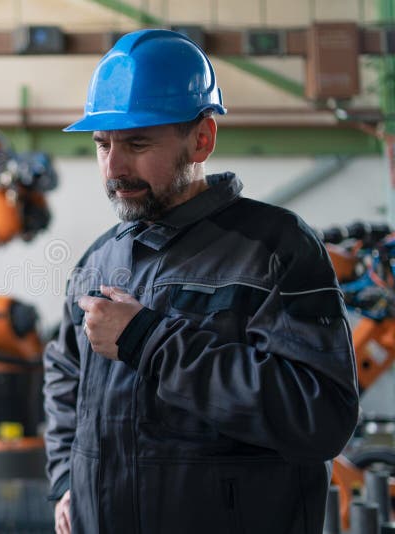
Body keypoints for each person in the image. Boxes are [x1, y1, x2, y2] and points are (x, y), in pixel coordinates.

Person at [43, 29, 359, 534]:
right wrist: (65, 481)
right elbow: (63, 374)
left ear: (202, 138)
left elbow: (320, 418)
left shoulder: (276, 248)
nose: (114, 167)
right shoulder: (100, 260)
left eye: (137, 142)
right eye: (103, 144)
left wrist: (149, 340)